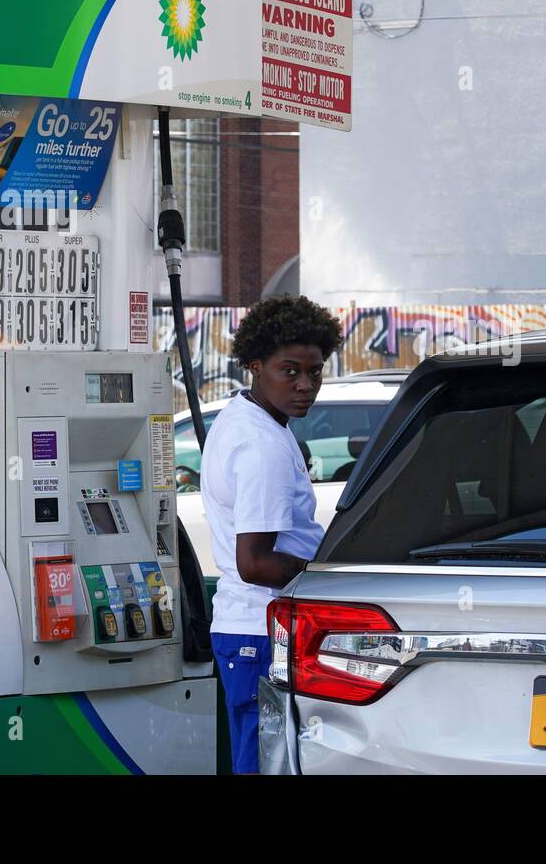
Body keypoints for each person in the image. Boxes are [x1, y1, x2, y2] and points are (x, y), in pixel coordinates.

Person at [202, 294, 341, 773]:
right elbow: (255, 563)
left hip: (253, 627)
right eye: (290, 371)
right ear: (255, 366)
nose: (306, 385)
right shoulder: (261, 444)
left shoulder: (251, 419)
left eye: (315, 372)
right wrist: (331, 578)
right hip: (261, 631)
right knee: (267, 764)